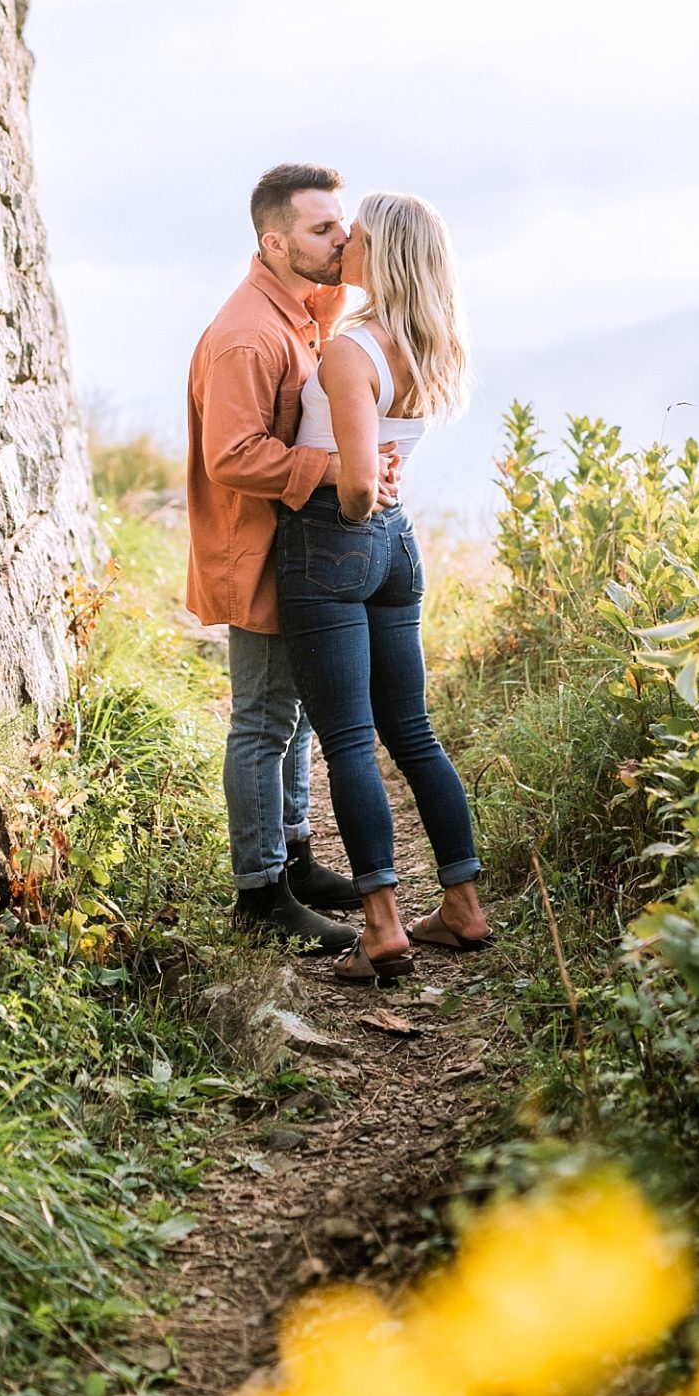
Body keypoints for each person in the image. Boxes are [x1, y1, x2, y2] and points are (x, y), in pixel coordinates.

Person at [276, 191, 492, 981]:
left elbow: (362, 484)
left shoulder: (351, 352)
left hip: (334, 538)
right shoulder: (430, 345)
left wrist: (349, 504)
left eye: (357, 234)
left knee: (348, 740)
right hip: (399, 548)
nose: (345, 241)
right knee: (413, 732)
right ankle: (462, 906)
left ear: (387, 253)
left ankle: (382, 928)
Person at [186, 163, 401, 949]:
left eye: (342, 224)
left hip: (299, 548)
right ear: (274, 244)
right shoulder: (248, 335)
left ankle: (297, 857)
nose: (343, 239)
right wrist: (337, 469)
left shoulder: (309, 308)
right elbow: (232, 455)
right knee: (263, 719)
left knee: (300, 710)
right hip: (255, 549)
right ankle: (260, 894)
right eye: (322, 229)